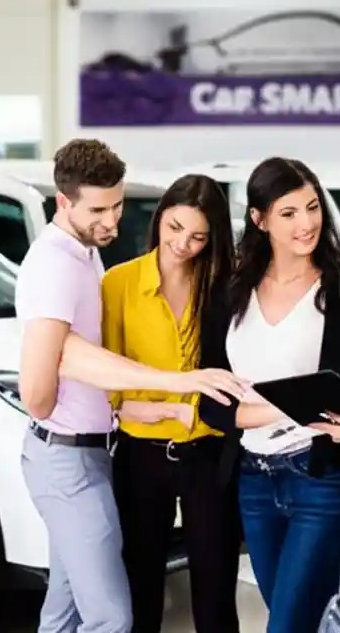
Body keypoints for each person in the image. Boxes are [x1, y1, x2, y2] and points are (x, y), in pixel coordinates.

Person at [16, 139, 250, 633]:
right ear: (64, 201)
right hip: (73, 458)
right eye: (99, 208)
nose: (112, 220)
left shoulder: (85, 257)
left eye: (117, 205)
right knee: (112, 616)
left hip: (100, 453)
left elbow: (78, 356)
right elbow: (39, 391)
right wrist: (171, 389)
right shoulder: (61, 265)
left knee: (66, 607)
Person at [197, 156, 340, 633]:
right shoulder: (230, 291)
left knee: (287, 627)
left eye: (312, 207)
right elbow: (211, 404)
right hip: (254, 481)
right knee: (302, 619)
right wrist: (275, 406)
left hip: (324, 480)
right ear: (259, 220)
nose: (306, 223)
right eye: (289, 213)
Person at [100, 174, 241, 633]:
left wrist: (187, 412)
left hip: (208, 453)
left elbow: (231, 373)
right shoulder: (118, 283)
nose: (183, 243)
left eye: (199, 236)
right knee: (140, 587)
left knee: (215, 589)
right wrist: (163, 409)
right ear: (160, 218)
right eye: (175, 227)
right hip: (141, 456)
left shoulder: (222, 287)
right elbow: (111, 384)